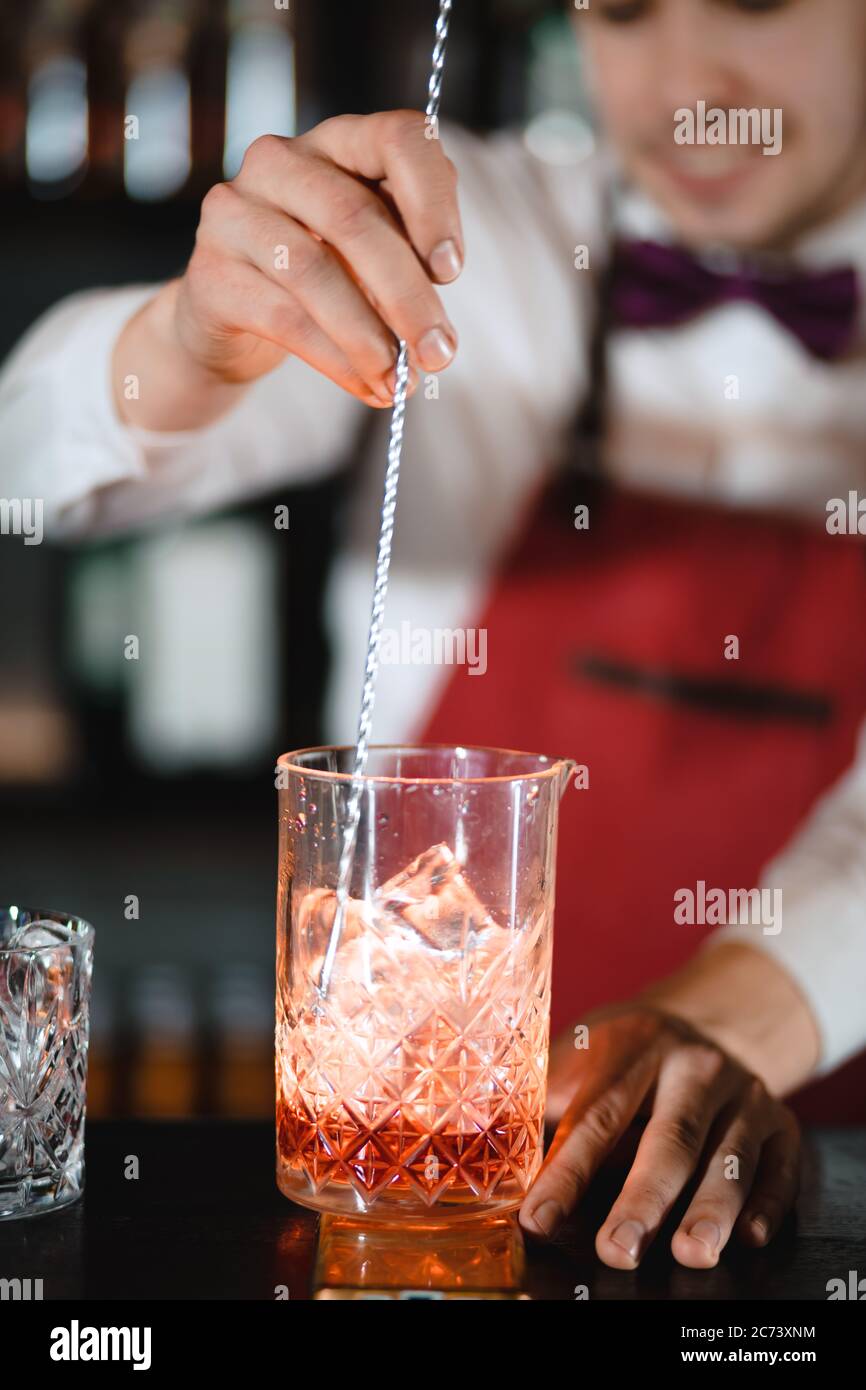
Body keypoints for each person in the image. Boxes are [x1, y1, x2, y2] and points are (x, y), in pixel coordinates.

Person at [3, 0, 866, 1269]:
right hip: (420, 1187)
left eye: (751, 1)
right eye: (623, 12)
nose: (687, 86)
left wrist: (740, 1011)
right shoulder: (483, 233)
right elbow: (30, 458)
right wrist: (193, 339)